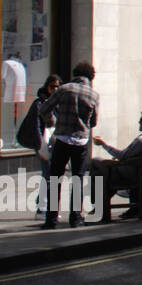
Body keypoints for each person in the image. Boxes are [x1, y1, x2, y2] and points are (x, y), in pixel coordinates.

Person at [39, 61, 99, 229]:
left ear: (75, 74)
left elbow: (44, 109)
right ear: (90, 77)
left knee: (55, 178)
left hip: (62, 139)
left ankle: (51, 219)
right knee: (78, 178)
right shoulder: (94, 95)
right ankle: (75, 218)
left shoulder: (63, 89)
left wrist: (51, 122)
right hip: (81, 141)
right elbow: (93, 122)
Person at [89, 108, 142, 221]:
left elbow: (122, 155)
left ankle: (98, 208)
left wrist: (103, 144)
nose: (139, 122)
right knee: (100, 171)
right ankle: (99, 207)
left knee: (97, 166)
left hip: (135, 174)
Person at [19, 74, 60, 219]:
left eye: (57, 86)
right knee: (48, 174)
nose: (54, 89)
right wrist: (39, 144)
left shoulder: (58, 103)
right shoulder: (39, 103)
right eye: (52, 86)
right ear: (47, 87)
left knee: (50, 175)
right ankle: (42, 209)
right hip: (43, 143)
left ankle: (43, 204)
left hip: (54, 143)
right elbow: (35, 125)